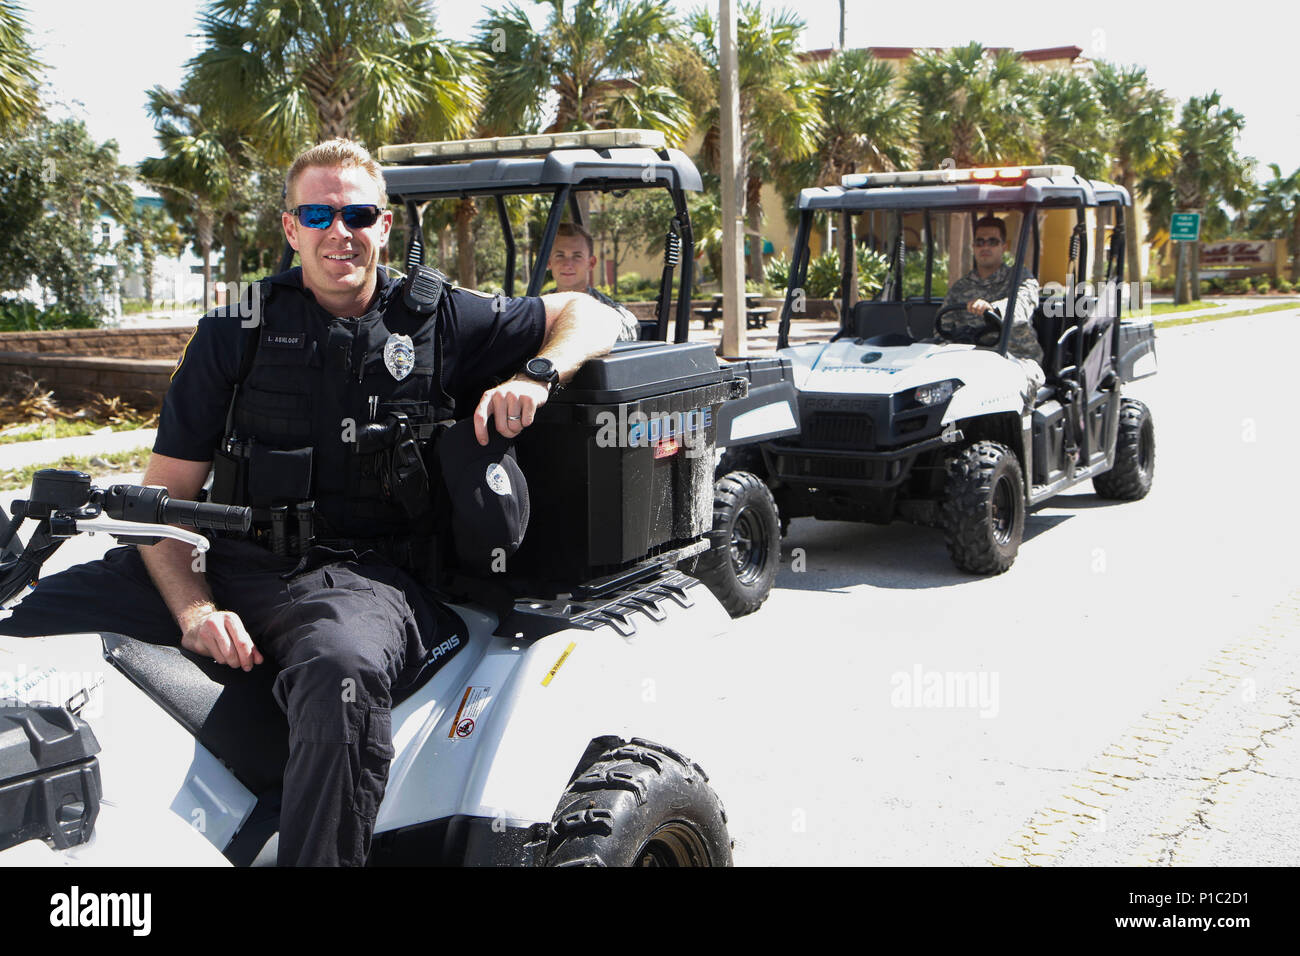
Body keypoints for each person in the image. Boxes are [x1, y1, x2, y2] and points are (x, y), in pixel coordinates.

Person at [0, 139, 623, 866]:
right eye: (319, 213)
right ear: (291, 228)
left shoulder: (440, 318)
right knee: (29, 622)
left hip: (364, 580)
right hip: (225, 553)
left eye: (357, 213)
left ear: (384, 226)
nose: (340, 231)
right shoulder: (236, 329)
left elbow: (590, 311)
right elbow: (161, 499)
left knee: (340, 679)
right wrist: (195, 610)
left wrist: (540, 373)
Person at [940, 214, 1045, 396]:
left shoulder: (1020, 278)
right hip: (971, 363)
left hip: (1017, 360)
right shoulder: (960, 288)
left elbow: (1021, 306)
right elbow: (943, 329)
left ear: (1004, 247)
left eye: (992, 241)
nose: (985, 247)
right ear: (973, 247)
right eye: (979, 242)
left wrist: (993, 310)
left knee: (1001, 387)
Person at [548, 222, 641, 342]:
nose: (568, 264)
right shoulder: (536, 308)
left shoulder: (612, 311)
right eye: (560, 255)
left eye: (577, 256)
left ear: (591, 263)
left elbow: (630, 329)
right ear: (549, 262)